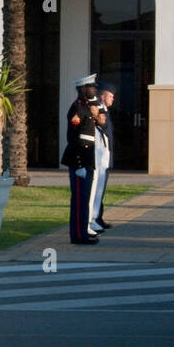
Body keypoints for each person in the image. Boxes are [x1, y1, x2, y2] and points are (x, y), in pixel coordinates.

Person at [62, 75, 100, 245]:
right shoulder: (77, 108)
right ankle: (77, 235)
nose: (95, 90)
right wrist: (79, 164)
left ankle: (83, 231)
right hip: (80, 162)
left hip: (88, 160)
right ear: (83, 89)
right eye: (92, 87)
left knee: (84, 199)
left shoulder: (87, 107)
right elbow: (73, 137)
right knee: (79, 199)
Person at [91, 84, 115, 234]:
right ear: (103, 97)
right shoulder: (97, 110)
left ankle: (98, 217)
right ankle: (94, 219)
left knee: (100, 190)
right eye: (111, 96)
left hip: (104, 157)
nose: (113, 99)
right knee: (97, 189)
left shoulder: (104, 110)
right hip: (98, 158)